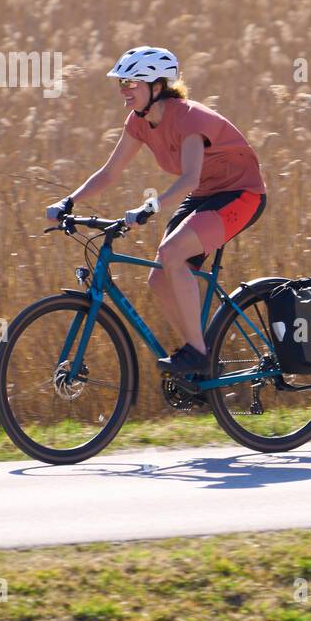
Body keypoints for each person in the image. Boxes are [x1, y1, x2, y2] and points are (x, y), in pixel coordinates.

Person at [46, 46, 267, 376]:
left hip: (241, 193)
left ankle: (198, 354)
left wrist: (150, 207)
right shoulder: (139, 123)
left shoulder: (190, 118)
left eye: (132, 83)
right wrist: (69, 201)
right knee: (159, 278)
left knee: (172, 252)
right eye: (122, 84)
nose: (124, 91)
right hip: (206, 195)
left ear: (157, 86)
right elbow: (110, 172)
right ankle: (203, 358)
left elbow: (189, 177)